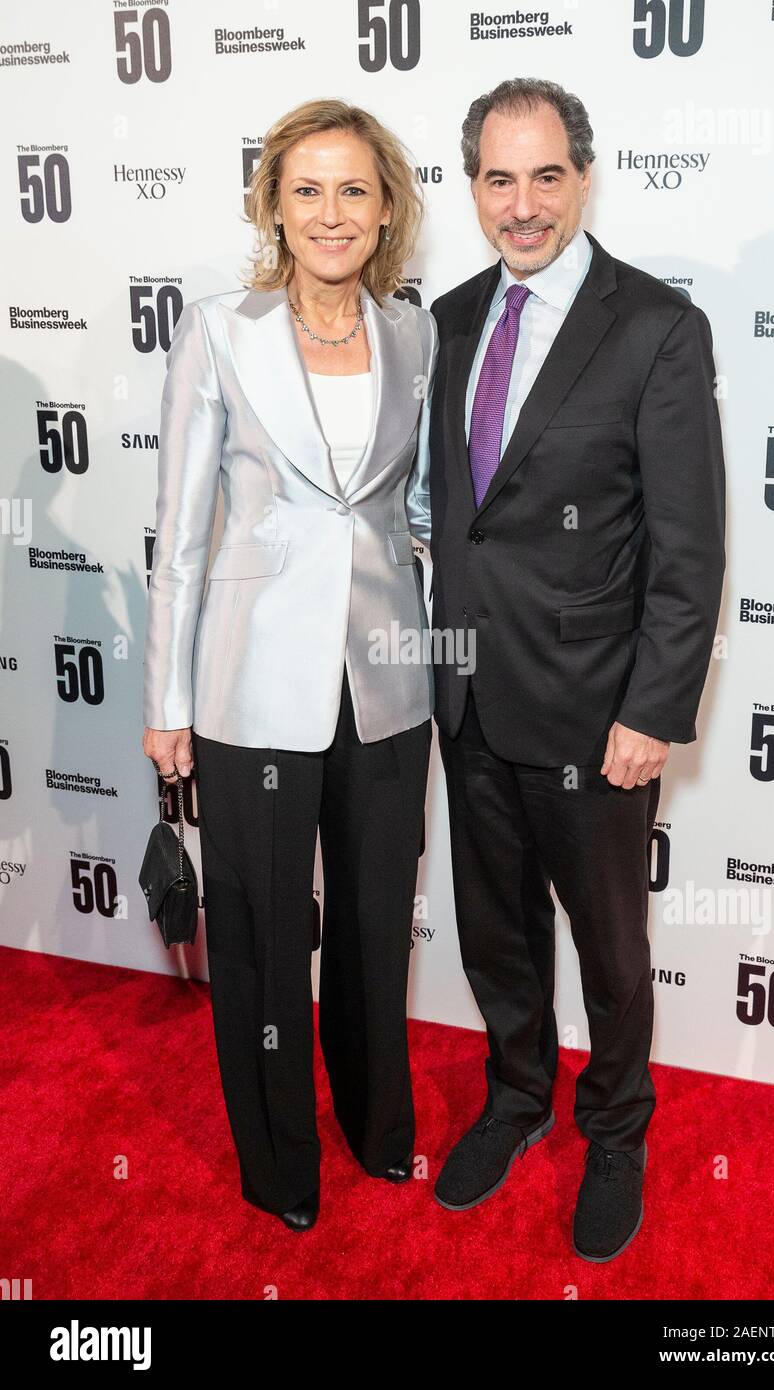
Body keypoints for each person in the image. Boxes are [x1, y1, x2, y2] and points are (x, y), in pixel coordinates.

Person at [412, 78, 726, 1261]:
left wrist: (651, 708)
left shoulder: (651, 325)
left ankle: (617, 1126)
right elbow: (456, 519)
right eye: (499, 177)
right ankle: (514, 1098)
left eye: (546, 175)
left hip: (597, 715)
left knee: (608, 946)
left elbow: (690, 549)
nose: (523, 203)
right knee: (495, 930)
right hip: (470, 696)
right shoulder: (444, 321)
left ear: (583, 177)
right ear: (473, 187)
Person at [141, 99, 437, 1233]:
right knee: (263, 936)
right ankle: (278, 1163)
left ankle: (377, 1126)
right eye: (306, 189)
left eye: (353, 189)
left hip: (384, 680)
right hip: (251, 685)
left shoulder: (413, 333)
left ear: (385, 209)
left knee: (371, 920)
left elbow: (409, 506)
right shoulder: (220, 329)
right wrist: (168, 702)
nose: (329, 212)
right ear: (273, 203)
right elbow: (180, 529)